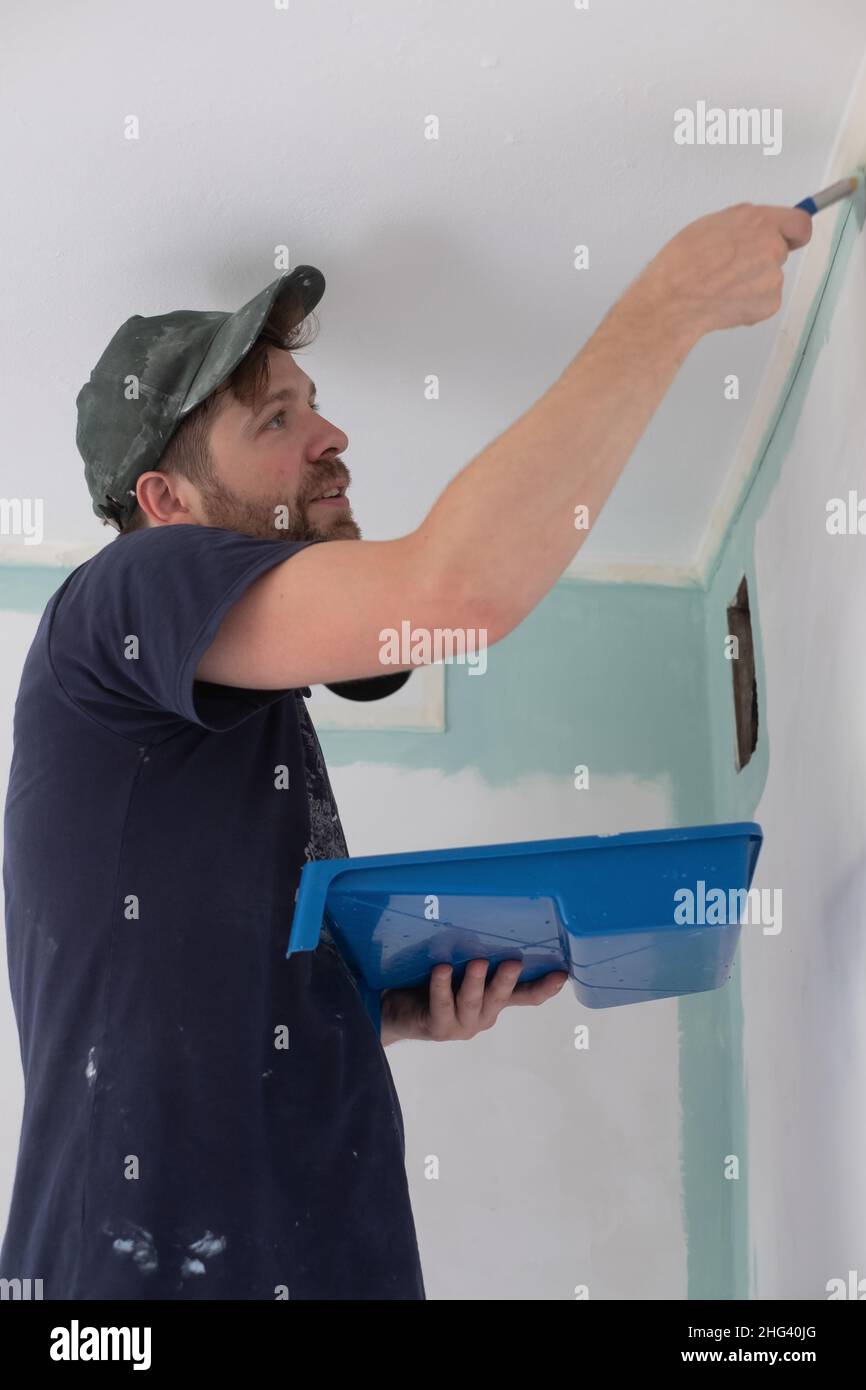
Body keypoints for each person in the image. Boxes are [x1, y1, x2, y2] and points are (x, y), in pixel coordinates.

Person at [0, 202, 812, 1300]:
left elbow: (192, 1013)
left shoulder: (226, 717)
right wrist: (666, 305)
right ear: (165, 502)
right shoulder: (127, 590)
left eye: (313, 407)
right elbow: (452, 592)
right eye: (273, 418)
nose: (330, 438)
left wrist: (359, 1013)